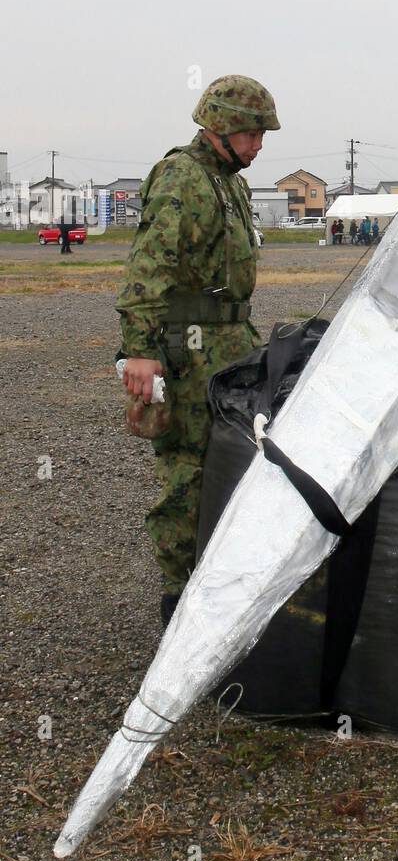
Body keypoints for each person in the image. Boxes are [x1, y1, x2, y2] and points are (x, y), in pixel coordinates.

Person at [116, 74, 280, 628]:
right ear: (221, 126)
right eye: (251, 133)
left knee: (235, 468)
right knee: (188, 475)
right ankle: (180, 607)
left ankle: (224, 592)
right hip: (189, 352)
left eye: (262, 135)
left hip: (231, 348)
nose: (258, 145)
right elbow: (147, 269)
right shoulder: (181, 178)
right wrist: (140, 352)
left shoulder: (230, 183)